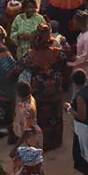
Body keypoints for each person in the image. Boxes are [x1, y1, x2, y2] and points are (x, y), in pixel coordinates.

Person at [21, 23, 67, 151]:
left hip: (39, 89)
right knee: (56, 115)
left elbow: (21, 65)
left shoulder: (30, 54)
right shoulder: (57, 53)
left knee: (41, 116)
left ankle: (44, 142)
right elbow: (67, 59)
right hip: (55, 88)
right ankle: (56, 140)